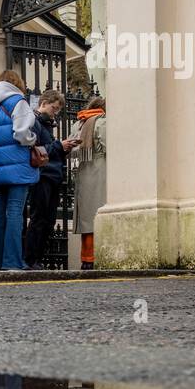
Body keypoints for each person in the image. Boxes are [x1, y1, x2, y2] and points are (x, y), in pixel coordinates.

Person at [0, 70, 39, 271]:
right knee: (14, 211)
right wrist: (33, 140)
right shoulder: (18, 101)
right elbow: (22, 133)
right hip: (16, 165)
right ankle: (12, 261)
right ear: (18, 84)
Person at [23, 89, 79, 270]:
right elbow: (36, 150)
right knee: (39, 218)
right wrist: (58, 145)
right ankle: (31, 259)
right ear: (44, 103)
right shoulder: (35, 122)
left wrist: (63, 148)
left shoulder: (47, 125)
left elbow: (49, 150)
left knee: (48, 220)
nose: (55, 113)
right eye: (54, 108)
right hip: (42, 176)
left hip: (52, 176)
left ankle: (38, 258)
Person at [74, 96, 107, 270]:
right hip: (100, 171)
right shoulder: (102, 122)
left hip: (83, 171)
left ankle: (86, 258)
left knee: (87, 218)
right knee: (98, 214)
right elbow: (110, 145)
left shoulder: (79, 122)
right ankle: (96, 256)